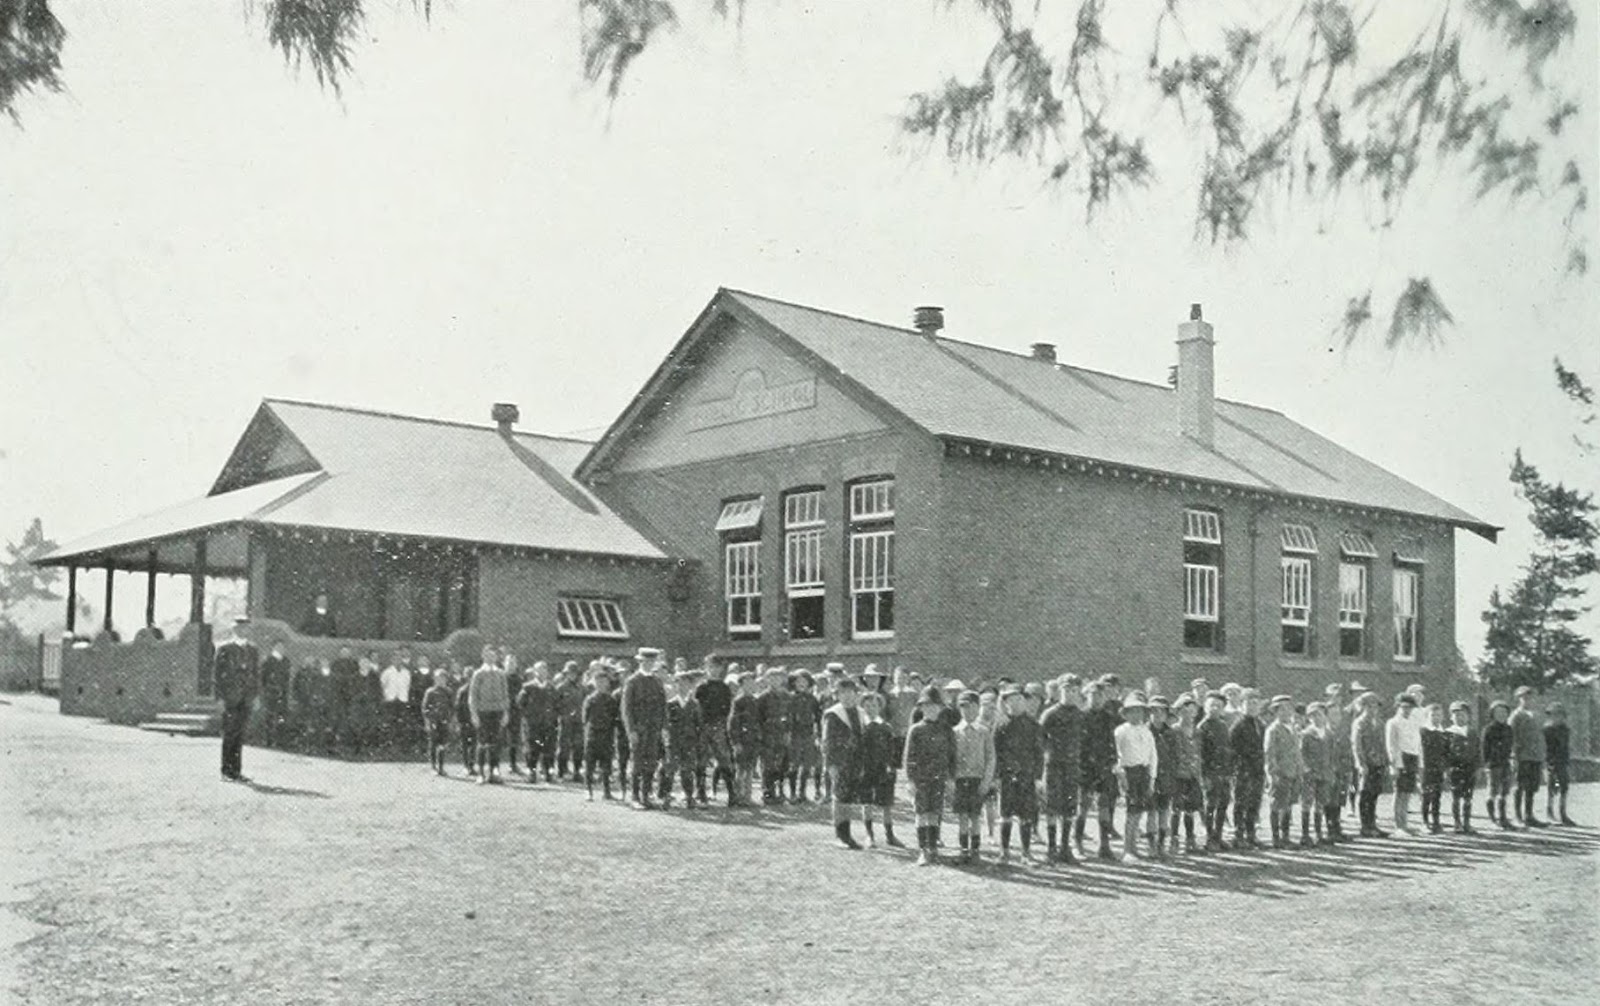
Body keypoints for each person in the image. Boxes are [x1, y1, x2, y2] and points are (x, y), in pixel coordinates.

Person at [904, 686, 957, 866]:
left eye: (934, 706)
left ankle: (933, 848)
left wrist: (951, 778)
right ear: (921, 708)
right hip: (921, 778)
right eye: (926, 706)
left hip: (939, 777)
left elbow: (952, 756)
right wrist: (911, 780)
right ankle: (923, 850)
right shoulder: (916, 730)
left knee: (934, 812)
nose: (930, 709)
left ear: (941, 708)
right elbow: (909, 757)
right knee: (921, 813)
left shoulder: (947, 730)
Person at [994, 685, 1042, 863]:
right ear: (1005, 703)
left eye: (1018, 699)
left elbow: (1038, 753)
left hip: (1027, 776)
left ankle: (1026, 852)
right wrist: (996, 776)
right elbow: (995, 752)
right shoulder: (1000, 725)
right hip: (1007, 777)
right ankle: (1004, 852)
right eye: (1010, 700)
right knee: (1005, 815)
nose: (1015, 703)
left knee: (1026, 815)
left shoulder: (1033, 725)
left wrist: (1038, 777)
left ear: (1024, 701)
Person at [1039, 674, 1083, 865]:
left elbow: (1085, 741)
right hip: (1054, 765)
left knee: (1070, 807)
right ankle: (1051, 848)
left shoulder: (1080, 716)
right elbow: (1039, 740)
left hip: (1072, 766)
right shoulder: (1050, 714)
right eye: (1066, 690)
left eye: (1074, 690)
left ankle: (1065, 847)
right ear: (1060, 691)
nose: (1070, 694)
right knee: (1052, 806)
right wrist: (1047, 755)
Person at [1076, 677, 1121, 861]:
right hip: (1085, 767)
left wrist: (1113, 762)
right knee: (1083, 806)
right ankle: (1078, 843)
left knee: (1104, 806)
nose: (1097, 699)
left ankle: (1104, 845)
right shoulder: (1080, 717)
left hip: (1104, 767)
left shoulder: (1109, 718)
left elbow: (1114, 742)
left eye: (1100, 695)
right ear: (1086, 696)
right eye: (1093, 695)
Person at [949, 691, 995, 865]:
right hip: (960, 779)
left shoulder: (984, 732)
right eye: (963, 707)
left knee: (975, 816)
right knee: (962, 816)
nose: (968, 711)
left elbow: (990, 757)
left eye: (972, 707)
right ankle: (963, 850)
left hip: (977, 779)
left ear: (978, 708)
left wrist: (986, 781)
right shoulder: (954, 732)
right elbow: (950, 758)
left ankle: (975, 851)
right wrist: (951, 780)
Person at [212, 617, 259, 782]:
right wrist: (219, 698)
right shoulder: (224, 649)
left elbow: (255, 675)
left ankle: (236, 771)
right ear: (234, 630)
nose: (243, 631)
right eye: (239, 628)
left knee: (240, 734)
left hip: (245, 699)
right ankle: (226, 771)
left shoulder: (252, 650)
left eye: (245, 628)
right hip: (230, 698)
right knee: (229, 734)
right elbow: (217, 676)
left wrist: (255, 696)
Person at [621, 648, 669, 809]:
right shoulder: (633, 681)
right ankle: (635, 796)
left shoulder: (657, 682)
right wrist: (631, 730)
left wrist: (664, 727)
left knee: (652, 762)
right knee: (637, 762)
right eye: (646, 661)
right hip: (639, 729)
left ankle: (645, 795)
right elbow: (626, 709)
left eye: (652, 661)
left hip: (654, 729)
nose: (649, 664)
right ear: (640, 662)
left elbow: (663, 706)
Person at [821, 675, 866, 849]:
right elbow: (827, 742)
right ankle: (841, 835)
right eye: (842, 692)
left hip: (855, 761)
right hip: (839, 762)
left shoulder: (860, 712)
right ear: (837, 695)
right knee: (840, 797)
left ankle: (847, 834)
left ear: (856, 693)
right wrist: (830, 765)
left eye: (850, 692)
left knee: (848, 798)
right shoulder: (833, 714)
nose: (847, 696)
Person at [1113, 692, 1158, 860]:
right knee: (1131, 812)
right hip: (1129, 772)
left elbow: (1152, 755)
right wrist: (1121, 775)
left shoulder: (1146, 731)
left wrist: (1152, 778)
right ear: (1126, 714)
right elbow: (1116, 755)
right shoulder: (1121, 731)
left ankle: (1134, 846)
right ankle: (1127, 849)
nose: (1136, 715)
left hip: (1143, 773)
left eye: (1140, 711)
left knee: (1140, 811)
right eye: (1132, 711)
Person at [857, 690, 903, 848]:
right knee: (867, 802)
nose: (870, 709)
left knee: (886, 804)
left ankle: (890, 835)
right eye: (867, 705)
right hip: (865, 769)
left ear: (880, 707)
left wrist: (891, 767)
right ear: (862, 707)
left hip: (883, 769)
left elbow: (893, 750)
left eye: (874, 705)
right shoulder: (859, 727)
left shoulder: (886, 727)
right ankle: (869, 835)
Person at [1262, 695, 1303, 850]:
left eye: (1289, 709)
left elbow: (1297, 752)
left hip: (1293, 772)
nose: (1286, 712)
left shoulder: (1293, 728)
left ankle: (1286, 837)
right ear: (1275, 712)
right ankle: (1275, 838)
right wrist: (1272, 774)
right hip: (1280, 773)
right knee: (1277, 805)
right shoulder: (1273, 730)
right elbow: (1269, 754)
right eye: (1282, 709)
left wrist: (1299, 769)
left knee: (1288, 805)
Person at [1229, 689, 1267, 849]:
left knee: (1254, 801)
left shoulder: (1261, 725)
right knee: (1241, 802)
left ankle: (1251, 834)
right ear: (1242, 705)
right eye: (1249, 703)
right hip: (1243, 769)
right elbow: (1232, 749)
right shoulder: (1238, 725)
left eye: (1255, 703)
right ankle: (1239, 834)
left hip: (1258, 769)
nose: (1252, 707)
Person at [1197, 691, 1234, 851]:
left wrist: (1229, 771)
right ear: (1205, 707)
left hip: (1224, 771)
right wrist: (1204, 775)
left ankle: (1218, 836)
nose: (1214, 709)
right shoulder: (1202, 727)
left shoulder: (1223, 726)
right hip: (1210, 772)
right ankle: (1209, 837)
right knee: (1210, 805)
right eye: (1211, 705)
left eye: (1218, 706)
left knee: (1223, 804)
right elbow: (1200, 754)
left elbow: (1228, 749)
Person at [665, 666, 706, 809]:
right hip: (674, 741)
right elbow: (666, 724)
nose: (682, 686)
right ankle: (666, 795)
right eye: (679, 683)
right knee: (670, 769)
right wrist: (668, 740)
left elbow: (699, 725)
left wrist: (699, 741)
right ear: (675, 686)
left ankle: (689, 796)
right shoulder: (670, 704)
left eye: (686, 683)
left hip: (689, 742)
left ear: (690, 686)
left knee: (687, 770)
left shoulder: (695, 705)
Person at [693, 657, 733, 802]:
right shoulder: (701, 687)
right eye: (711, 667)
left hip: (719, 726)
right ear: (706, 668)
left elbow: (728, 708)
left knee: (724, 759)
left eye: (717, 667)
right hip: (703, 726)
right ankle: (701, 792)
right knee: (701, 761)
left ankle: (731, 793)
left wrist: (723, 725)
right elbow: (696, 708)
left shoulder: (725, 688)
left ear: (721, 669)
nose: (714, 670)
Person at [468, 646, 510, 784]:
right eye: (488, 656)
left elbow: (505, 695)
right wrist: (474, 714)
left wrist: (505, 713)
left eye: (493, 656)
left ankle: (493, 772)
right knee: (482, 743)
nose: (491, 658)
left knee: (495, 744)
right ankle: (480, 773)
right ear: (483, 657)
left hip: (497, 712)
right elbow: (473, 695)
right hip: (483, 712)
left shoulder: (501, 674)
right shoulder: (478, 674)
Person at [1169, 693, 1205, 854]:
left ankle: (1190, 839)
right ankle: (1174, 839)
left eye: (1192, 711)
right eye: (1184, 711)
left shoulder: (1198, 732)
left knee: (1190, 808)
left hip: (1193, 775)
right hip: (1178, 775)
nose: (1188, 715)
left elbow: (1199, 752)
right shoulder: (1174, 731)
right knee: (1176, 808)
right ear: (1178, 713)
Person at [1508, 686, 1548, 828]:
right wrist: (1513, 756)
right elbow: (1511, 736)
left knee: (1532, 786)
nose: (1527, 700)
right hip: (1522, 756)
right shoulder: (1516, 715)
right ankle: (1517, 816)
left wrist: (1542, 754)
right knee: (1520, 785)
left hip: (1535, 756)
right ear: (1519, 699)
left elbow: (1540, 736)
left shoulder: (1536, 715)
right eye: (1524, 697)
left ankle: (1529, 815)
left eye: (1530, 697)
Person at [1351, 690, 1389, 838]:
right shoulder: (1359, 723)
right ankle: (1365, 826)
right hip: (1366, 763)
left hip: (1378, 762)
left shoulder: (1379, 722)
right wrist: (1361, 764)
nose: (1373, 709)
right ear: (1363, 707)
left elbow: (1383, 744)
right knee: (1366, 794)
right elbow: (1357, 745)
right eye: (1369, 706)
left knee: (1375, 793)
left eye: (1375, 706)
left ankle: (1372, 824)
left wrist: (1385, 761)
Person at [1385, 692, 1423, 836]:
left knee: (1407, 793)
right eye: (1404, 707)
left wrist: (1419, 763)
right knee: (1399, 792)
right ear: (1398, 706)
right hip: (1400, 759)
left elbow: (1416, 744)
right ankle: (1398, 826)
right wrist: (1395, 765)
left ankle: (1405, 824)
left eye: (1410, 708)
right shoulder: (1393, 723)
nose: (1407, 710)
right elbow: (1391, 745)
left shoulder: (1413, 723)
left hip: (1412, 758)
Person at [1147, 695, 1179, 855]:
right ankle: (1151, 844)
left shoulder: (1171, 734)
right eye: (1154, 711)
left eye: (1161, 712)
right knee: (1151, 811)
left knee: (1164, 810)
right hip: (1150, 776)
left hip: (1166, 776)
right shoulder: (1145, 731)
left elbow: (1175, 756)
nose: (1158, 715)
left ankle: (1161, 843)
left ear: (1167, 715)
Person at [755, 665, 792, 805]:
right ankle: (768, 792)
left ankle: (780, 790)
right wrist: (760, 735)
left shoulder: (787, 696)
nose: (775, 681)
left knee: (782, 764)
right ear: (767, 680)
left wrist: (788, 731)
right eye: (772, 678)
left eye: (778, 678)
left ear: (782, 680)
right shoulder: (763, 697)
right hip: (768, 734)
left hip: (782, 733)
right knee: (768, 764)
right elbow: (758, 718)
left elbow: (790, 715)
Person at [1299, 702, 1335, 846]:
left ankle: (1319, 834)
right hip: (1310, 774)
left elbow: (1332, 754)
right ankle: (1305, 834)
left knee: (1321, 803)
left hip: (1324, 773)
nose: (1317, 718)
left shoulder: (1329, 734)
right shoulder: (1306, 734)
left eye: (1320, 715)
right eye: (1313, 715)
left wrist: (1331, 770)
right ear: (1309, 718)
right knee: (1307, 803)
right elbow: (1301, 754)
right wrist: (1306, 769)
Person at [582, 666, 620, 801]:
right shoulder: (590, 700)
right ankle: (588, 790)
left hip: (607, 736)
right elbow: (585, 719)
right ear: (594, 683)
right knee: (590, 765)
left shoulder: (611, 700)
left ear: (608, 683)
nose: (601, 684)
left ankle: (606, 791)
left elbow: (615, 718)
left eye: (604, 682)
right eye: (598, 682)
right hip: (593, 736)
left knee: (606, 766)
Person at [519, 662, 559, 783]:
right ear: (534, 672)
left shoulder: (551, 687)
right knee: (532, 749)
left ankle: (548, 773)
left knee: (548, 749)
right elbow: (520, 703)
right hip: (533, 724)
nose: (542, 672)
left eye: (544, 670)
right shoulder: (528, 687)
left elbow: (557, 704)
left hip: (548, 723)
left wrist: (553, 717)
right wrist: (529, 716)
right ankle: (532, 772)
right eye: (539, 670)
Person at [727, 670, 760, 808]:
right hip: (742, 740)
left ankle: (747, 796)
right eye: (746, 682)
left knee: (750, 769)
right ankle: (738, 796)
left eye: (752, 682)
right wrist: (736, 742)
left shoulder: (756, 700)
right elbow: (733, 723)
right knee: (740, 770)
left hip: (754, 739)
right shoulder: (738, 701)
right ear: (741, 685)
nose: (750, 685)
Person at [1446, 700, 1480, 833]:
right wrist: (1447, 768)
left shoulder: (1472, 732)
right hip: (1455, 769)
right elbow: (1444, 753)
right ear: (1451, 717)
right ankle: (1457, 823)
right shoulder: (1448, 733)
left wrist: (1478, 767)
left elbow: (1477, 751)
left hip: (1470, 769)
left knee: (1468, 797)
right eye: (1456, 715)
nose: (1460, 718)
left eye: (1463, 715)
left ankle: (1467, 822)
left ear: (1468, 717)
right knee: (1456, 796)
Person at [788, 670, 822, 803]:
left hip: (808, 734)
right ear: (794, 683)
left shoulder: (812, 699)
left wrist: (818, 734)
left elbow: (818, 717)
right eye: (798, 681)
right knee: (794, 764)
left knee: (807, 765)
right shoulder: (790, 698)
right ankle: (792, 793)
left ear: (809, 683)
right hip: (794, 734)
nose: (801, 684)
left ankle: (802, 792)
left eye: (804, 681)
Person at [1481, 699, 1515, 829]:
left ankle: (1503, 818)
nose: (1501, 715)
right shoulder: (1488, 729)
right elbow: (1484, 749)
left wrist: (1511, 759)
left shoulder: (1508, 729)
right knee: (1493, 791)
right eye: (1498, 712)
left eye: (1504, 712)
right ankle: (1493, 819)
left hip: (1505, 763)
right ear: (1493, 714)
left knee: (1504, 791)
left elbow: (1510, 746)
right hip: (1493, 764)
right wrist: (1487, 764)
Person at [1418, 703, 1451, 835]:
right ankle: (1424, 822)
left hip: (1439, 768)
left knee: (1437, 795)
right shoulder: (1423, 731)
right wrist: (1420, 768)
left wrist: (1446, 768)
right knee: (1426, 796)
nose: (1436, 718)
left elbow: (1446, 752)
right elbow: (1419, 750)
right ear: (1427, 716)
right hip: (1426, 767)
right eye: (1433, 715)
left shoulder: (1444, 733)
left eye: (1438, 715)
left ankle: (1436, 821)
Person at [1543, 704, 1575, 826]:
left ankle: (1563, 813)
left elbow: (1566, 747)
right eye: (1554, 715)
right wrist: (1547, 763)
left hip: (1562, 762)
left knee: (1564, 787)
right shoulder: (1547, 730)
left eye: (1560, 715)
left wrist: (1567, 762)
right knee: (1552, 787)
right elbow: (1545, 748)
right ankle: (1550, 812)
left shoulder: (1565, 730)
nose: (1557, 718)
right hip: (1551, 762)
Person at [258, 641, 292, 749]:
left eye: (282, 647)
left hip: (282, 694)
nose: (281, 649)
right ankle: (268, 740)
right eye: (278, 646)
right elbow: (263, 677)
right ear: (274, 647)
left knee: (281, 717)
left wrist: (285, 690)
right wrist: (266, 690)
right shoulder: (268, 661)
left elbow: (287, 678)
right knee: (269, 717)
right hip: (270, 693)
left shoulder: (286, 661)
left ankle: (280, 740)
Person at [554, 661, 585, 781]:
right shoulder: (561, 688)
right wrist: (562, 714)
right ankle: (561, 772)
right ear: (566, 674)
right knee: (564, 747)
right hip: (565, 721)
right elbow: (555, 705)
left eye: (574, 673)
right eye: (569, 673)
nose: (572, 675)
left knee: (578, 747)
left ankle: (577, 771)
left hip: (579, 721)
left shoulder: (582, 688)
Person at [421, 668, 454, 776]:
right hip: (433, 721)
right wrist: (427, 722)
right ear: (434, 679)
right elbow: (425, 708)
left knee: (443, 744)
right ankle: (433, 766)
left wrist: (451, 721)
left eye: (443, 678)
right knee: (433, 743)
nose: (440, 681)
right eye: (438, 678)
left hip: (444, 720)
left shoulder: (448, 692)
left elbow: (452, 707)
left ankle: (441, 767)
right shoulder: (430, 692)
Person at [453, 662, 478, 777]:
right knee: (465, 744)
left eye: (472, 675)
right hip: (464, 721)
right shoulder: (462, 691)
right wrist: (459, 721)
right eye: (468, 676)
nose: (470, 678)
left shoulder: (478, 690)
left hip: (476, 721)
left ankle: (472, 765)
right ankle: (466, 766)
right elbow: (458, 707)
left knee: (474, 745)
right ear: (465, 677)